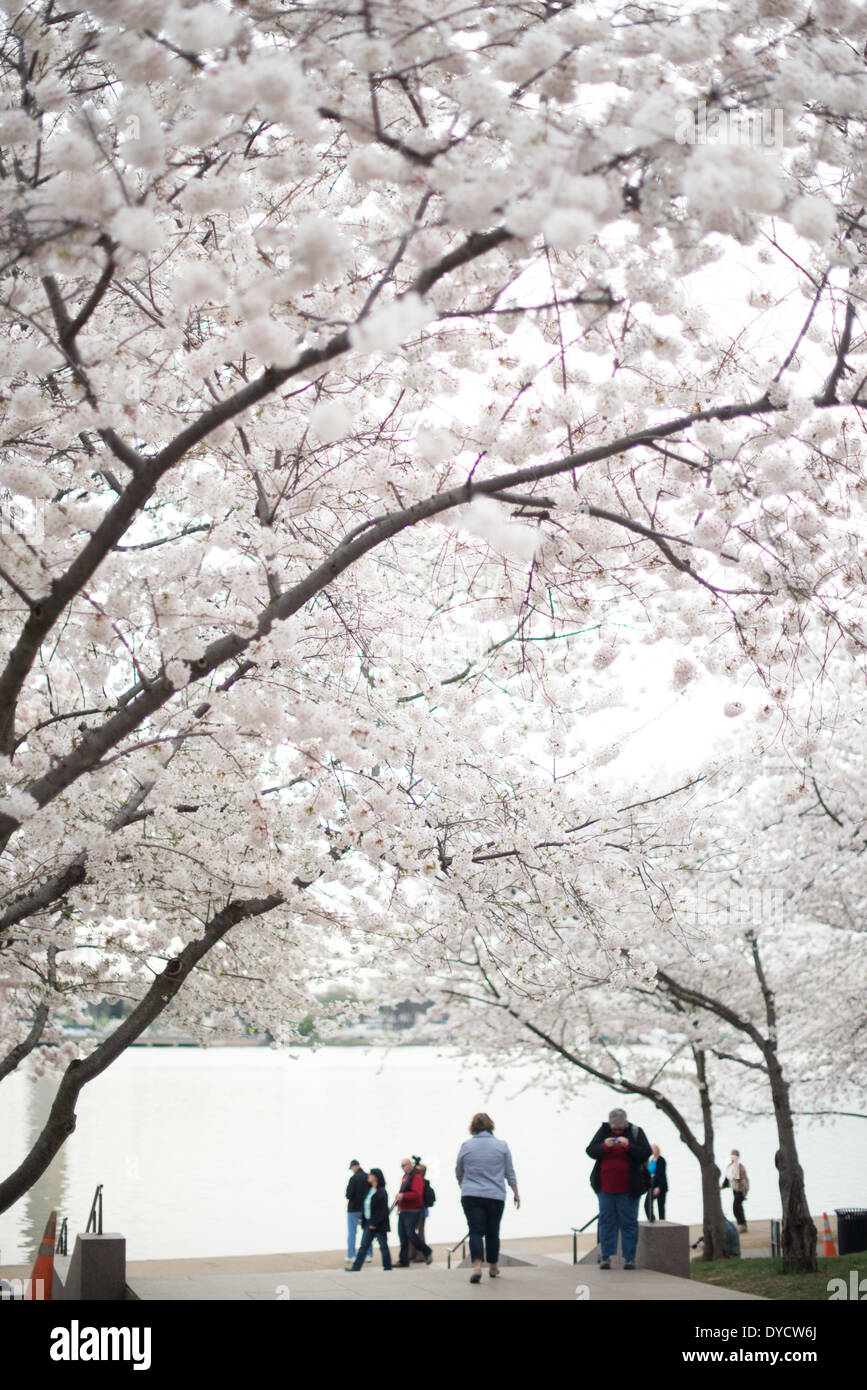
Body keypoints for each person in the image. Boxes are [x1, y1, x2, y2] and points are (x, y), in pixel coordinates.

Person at [455, 1112, 520, 1284]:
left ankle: (477, 1267)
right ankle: (493, 1266)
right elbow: (509, 1172)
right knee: (493, 1232)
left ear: (473, 1127)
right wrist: (516, 1192)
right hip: (495, 1195)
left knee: (475, 1231)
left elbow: (458, 1170)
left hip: (471, 1194)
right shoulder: (502, 1146)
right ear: (491, 1125)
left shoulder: (466, 1146)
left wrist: (464, 1184)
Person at [587, 1106, 652, 1269]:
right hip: (605, 1189)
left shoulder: (636, 1132)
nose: (617, 1131)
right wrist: (604, 1146)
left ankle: (629, 1257)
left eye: (620, 1129)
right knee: (606, 1222)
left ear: (626, 1124)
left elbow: (645, 1153)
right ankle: (605, 1256)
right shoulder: (603, 1131)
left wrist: (629, 1146)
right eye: (614, 1128)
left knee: (629, 1223)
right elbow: (590, 1150)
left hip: (629, 1190)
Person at [349, 1168, 392, 1271]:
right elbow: (366, 1207)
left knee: (383, 1246)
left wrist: (374, 1223)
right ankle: (356, 1267)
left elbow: (382, 1211)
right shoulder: (369, 1190)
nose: (368, 1176)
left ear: (375, 1177)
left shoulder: (381, 1191)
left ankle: (387, 1267)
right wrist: (364, 1220)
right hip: (368, 1222)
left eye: (370, 1175)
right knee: (364, 1246)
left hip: (379, 1225)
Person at [395, 1156, 433, 1267]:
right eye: (401, 1166)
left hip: (413, 1210)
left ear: (410, 1165)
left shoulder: (416, 1177)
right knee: (402, 1235)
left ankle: (426, 1251)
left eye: (404, 1165)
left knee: (411, 1234)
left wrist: (403, 1196)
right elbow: (402, 1191)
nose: (403, 1167)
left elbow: (417, 1194)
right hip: (404, 1209)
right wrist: (399, 1204)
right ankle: (403, 1259)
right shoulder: (405, 1177)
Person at [345, 1159, 371, 1266]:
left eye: (351, 1168)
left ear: (355, 1166)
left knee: (352, 1233)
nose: (352, 1170)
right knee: (367, 1232)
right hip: (366, 1209)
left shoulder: (353, 1178)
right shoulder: (368, 1177)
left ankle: (351, 1255)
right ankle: (368, 1254)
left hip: (353, 1209)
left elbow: (348, 1195)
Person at [721, 1150, 749, 1232]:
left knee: (736, 1206)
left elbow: (741, 1179)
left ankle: (742, 1225)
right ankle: (742, 1224)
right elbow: (727, 1178)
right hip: (735, 1189)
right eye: (732, 1155)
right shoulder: (730, 1166)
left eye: (734, 1156)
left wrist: (743, 1192)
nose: (732, 1157)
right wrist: (722, 1186)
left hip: (741, 1189)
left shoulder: (739, 1167)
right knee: (738, 1207)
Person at [410, 1162, 432, 1262]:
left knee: (419, 1232)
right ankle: (413, 1253)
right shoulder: (422, 1181)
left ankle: (420, 1254)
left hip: (420, 1210)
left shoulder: (420, 1181)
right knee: (415, 1232)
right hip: (419, 1210)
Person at [644, 1143, 667, 1222]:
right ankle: (652, 1220)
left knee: (660, 1206)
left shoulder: (661, 1160)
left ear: (657, 1149)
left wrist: (659, 1187)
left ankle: (662, 1223)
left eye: (653, 1148)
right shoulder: (651, 1160)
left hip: (659, 1186)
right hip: (651, 1185)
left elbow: (661, 1174)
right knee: (647, 1204)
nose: (652, 1150)